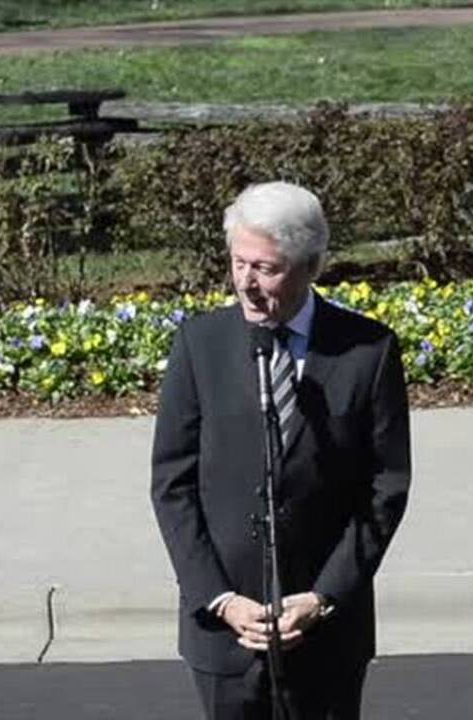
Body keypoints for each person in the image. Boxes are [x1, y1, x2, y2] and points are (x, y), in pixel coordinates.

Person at [151, 181, 412, 719]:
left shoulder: (368, 351)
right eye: (238, 263)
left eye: (266, 268)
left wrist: (323, 597)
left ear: (310, 266)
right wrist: (220, 599)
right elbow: (172, 484)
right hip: (226, 632)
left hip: (325, 632)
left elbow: (385, 486)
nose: (246, 283)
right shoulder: (200, 345)